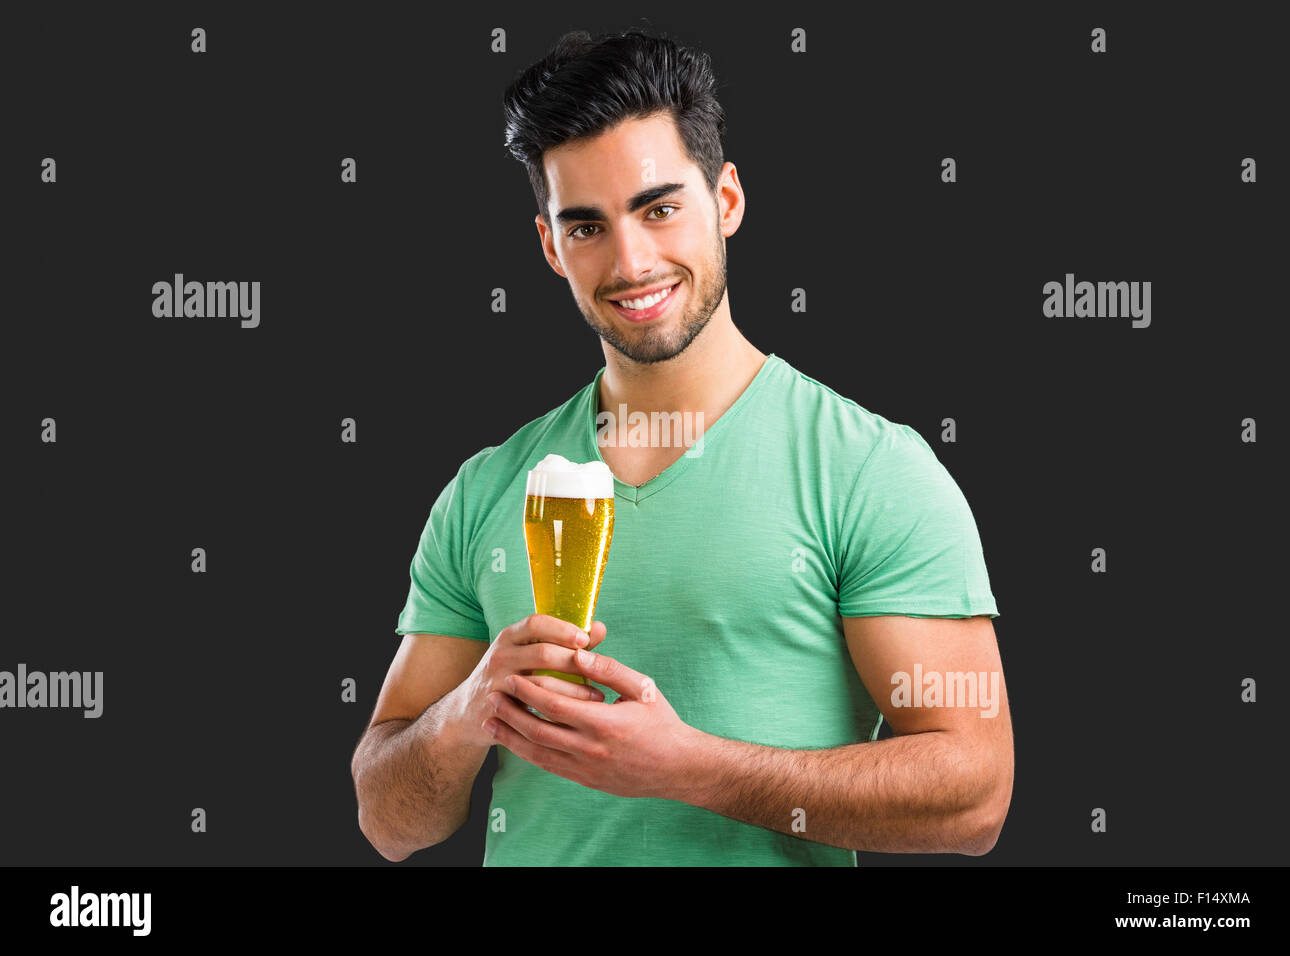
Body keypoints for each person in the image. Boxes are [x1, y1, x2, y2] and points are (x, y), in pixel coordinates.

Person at [351, 28, 1013, 866]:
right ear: (552, 247)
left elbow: (977, 795)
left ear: (726, 200)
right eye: (586, 227)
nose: (631, 262)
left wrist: (689, 768)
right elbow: (387, 818)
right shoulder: (487, 489)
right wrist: (469, 708)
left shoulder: (868, 470)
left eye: (658, 208)